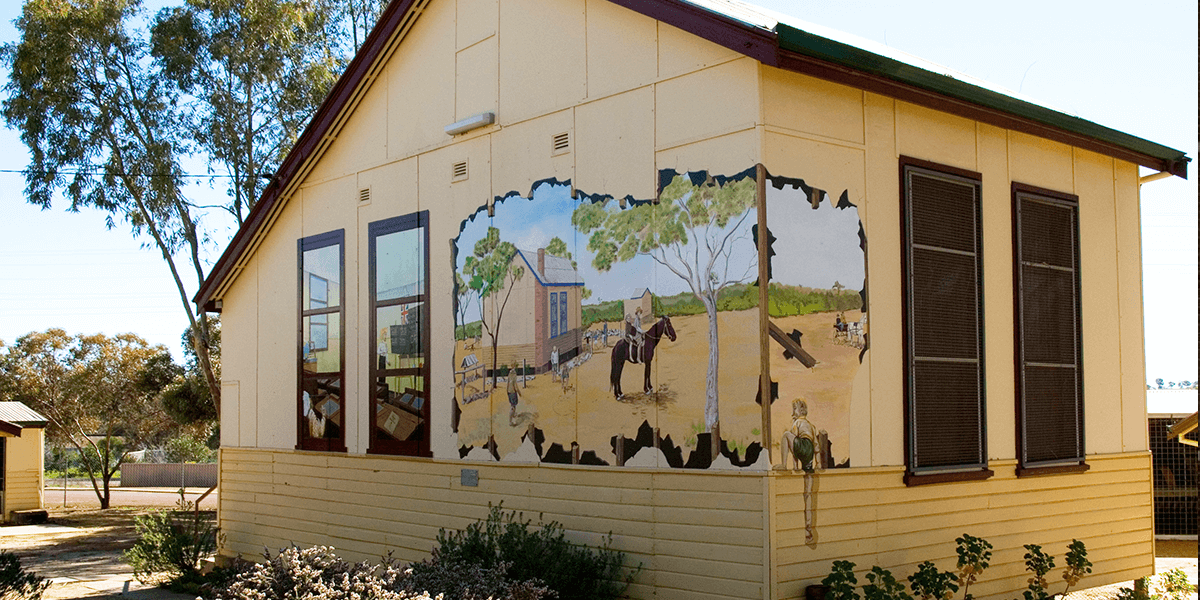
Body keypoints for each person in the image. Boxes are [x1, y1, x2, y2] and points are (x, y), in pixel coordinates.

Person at [507, 362, 521, 426]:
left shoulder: (509, 373)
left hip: (509, 391)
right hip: (513, 392)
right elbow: (515, 385)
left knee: (512, 404)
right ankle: (510, 421)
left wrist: (507, 391)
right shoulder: (514, 374)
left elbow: (508, 383)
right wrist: (519, 392)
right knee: (513, 407)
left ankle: (514, 414)